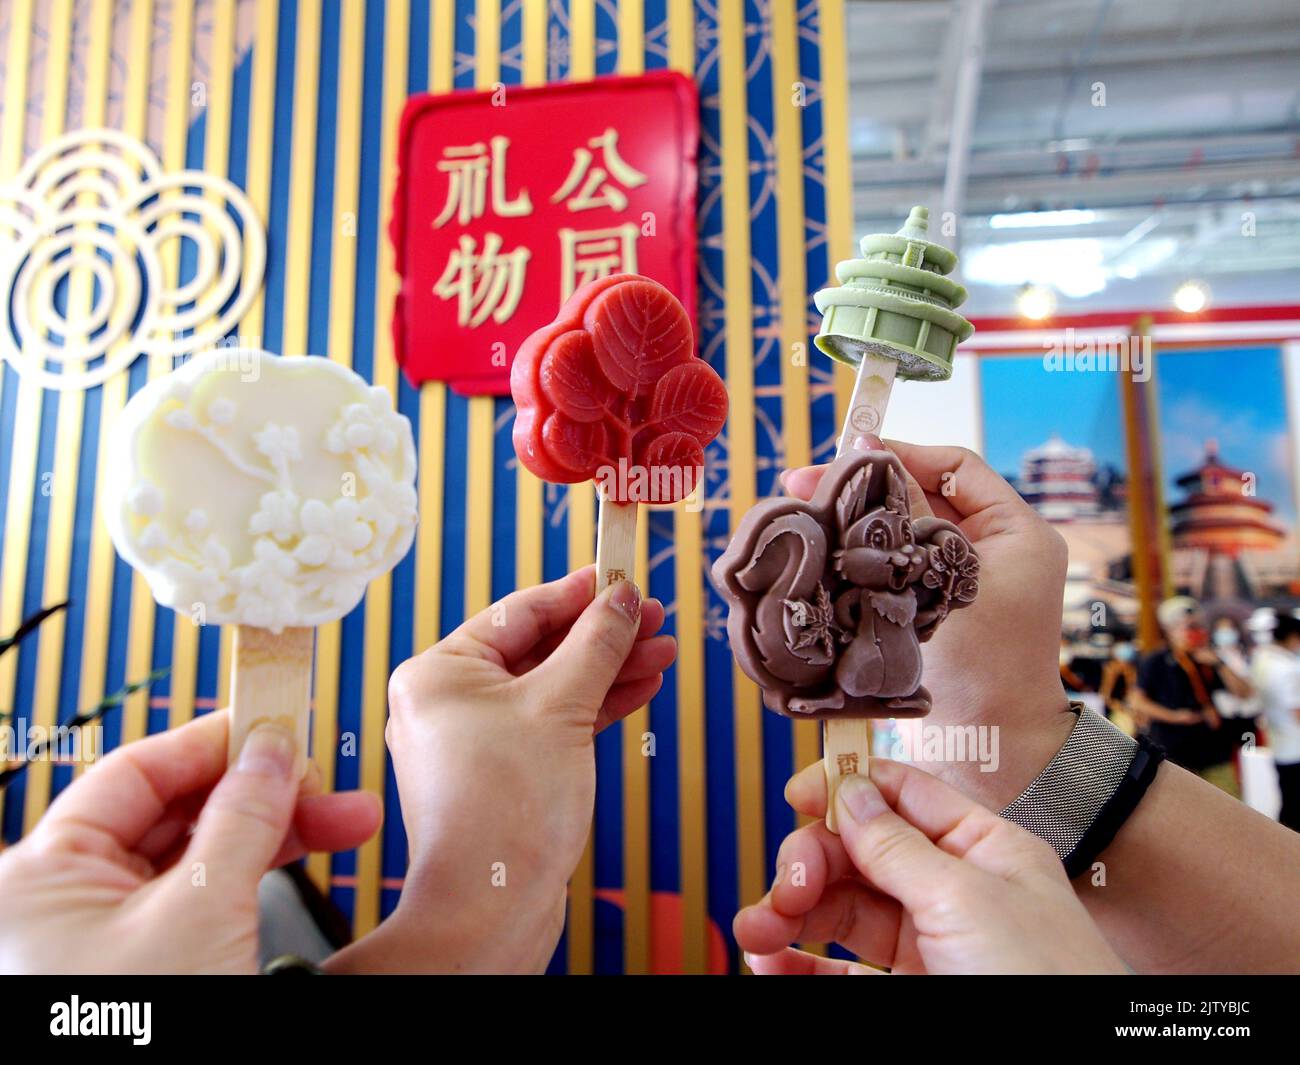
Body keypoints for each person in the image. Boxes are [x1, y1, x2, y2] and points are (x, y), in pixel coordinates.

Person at [737, 436, 1300, 974]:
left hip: (903, 680)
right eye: (882, 543)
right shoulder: (847, 579)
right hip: (863, 671)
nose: (902, 555)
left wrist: (1018, 745)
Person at [1129, 596, 1252, 794]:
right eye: (1187, 627)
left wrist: (1218, 664)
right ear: (1170, 631)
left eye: (1197, 626)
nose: (1194, 633)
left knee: (1227, 802)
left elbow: (1245, 693)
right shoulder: (1156, 661)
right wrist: (1175, 717)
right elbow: (1137, 700)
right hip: (1172, 749)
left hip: (1213, 748)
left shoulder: (1209, 658)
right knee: (1182, 805)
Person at [1252, 613, 1300, 832]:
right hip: (1295, 744)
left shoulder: (1262, 658)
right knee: (1294, 807)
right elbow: (1296, 711)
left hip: (1280, 743)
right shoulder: (1287, 668)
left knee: (1289, 800)